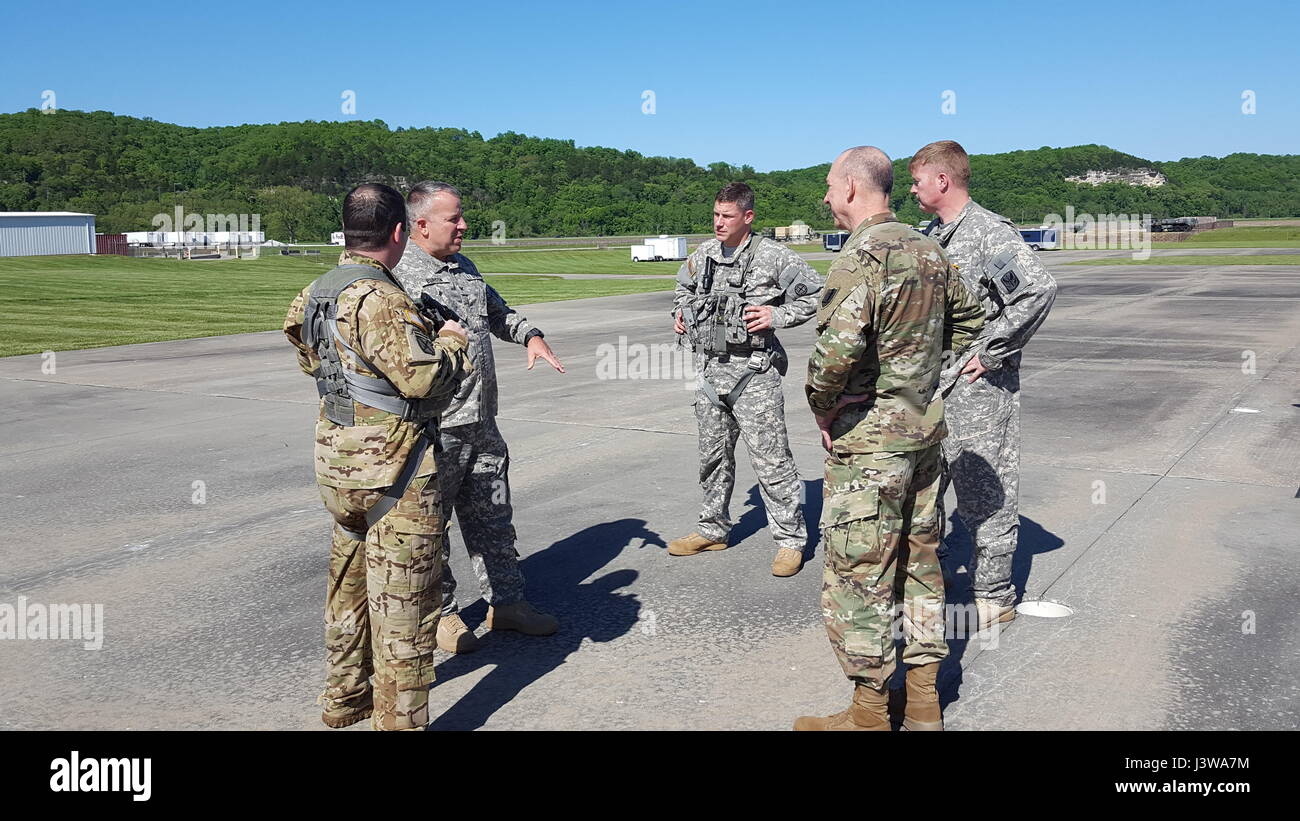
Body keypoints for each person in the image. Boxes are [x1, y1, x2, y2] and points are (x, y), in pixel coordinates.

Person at [796, 147, 984, 731]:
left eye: (830, 186)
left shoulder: (862, 256)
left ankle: (870, 712)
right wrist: (922, 379)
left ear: (852, 188)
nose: (826, 197)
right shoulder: (931, 247)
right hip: (924, 435)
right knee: (922, 564)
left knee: (861, 573)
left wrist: (828, 410)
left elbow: (834, 357)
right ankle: (925, 701)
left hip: (873, 445)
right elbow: (970, 319)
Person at [283, 183, 471, 730]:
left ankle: (343, 702)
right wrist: (453, 342)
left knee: (348, 593)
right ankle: (400, 723)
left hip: (339, 470)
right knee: (407, 613)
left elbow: (310, 358)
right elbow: (426, 381)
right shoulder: (381, 298)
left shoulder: (315, 291)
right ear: (397, 232)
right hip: (396, 473)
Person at [390, 181, 564, 654]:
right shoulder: (397, 278)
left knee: (493, 516)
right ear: (421, 225)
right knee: (432, 526)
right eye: (454, 218)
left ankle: (506, 603)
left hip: (482, 423)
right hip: (434, 428)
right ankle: (443, 615)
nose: (464, 225)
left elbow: (497, 312)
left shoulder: (463, 267)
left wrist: (531, 336)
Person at [909, 140, 1058, 629]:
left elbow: (1037, 288)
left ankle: (994, 595)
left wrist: (991, 350)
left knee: (983, 491)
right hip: (935, 384)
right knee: (930, 488)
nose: (912, 189)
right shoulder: (937, 234)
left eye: (917, 180)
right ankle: (944, 574)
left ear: (943, 180)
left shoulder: (987, 233)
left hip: (977, 389)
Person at [670, 182, 824, 576]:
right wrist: (681, 314)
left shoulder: (773, 257)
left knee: (772, 461)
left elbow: (820, 294)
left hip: (754, 373)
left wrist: (779, 317)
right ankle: (712, 528)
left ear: (748, 217)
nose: (718, 223)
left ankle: (790, 540)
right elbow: (682, 288)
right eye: (716, 215)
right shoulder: (703, 254)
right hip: (710, 373)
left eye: (727, 216)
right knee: (712, 458)